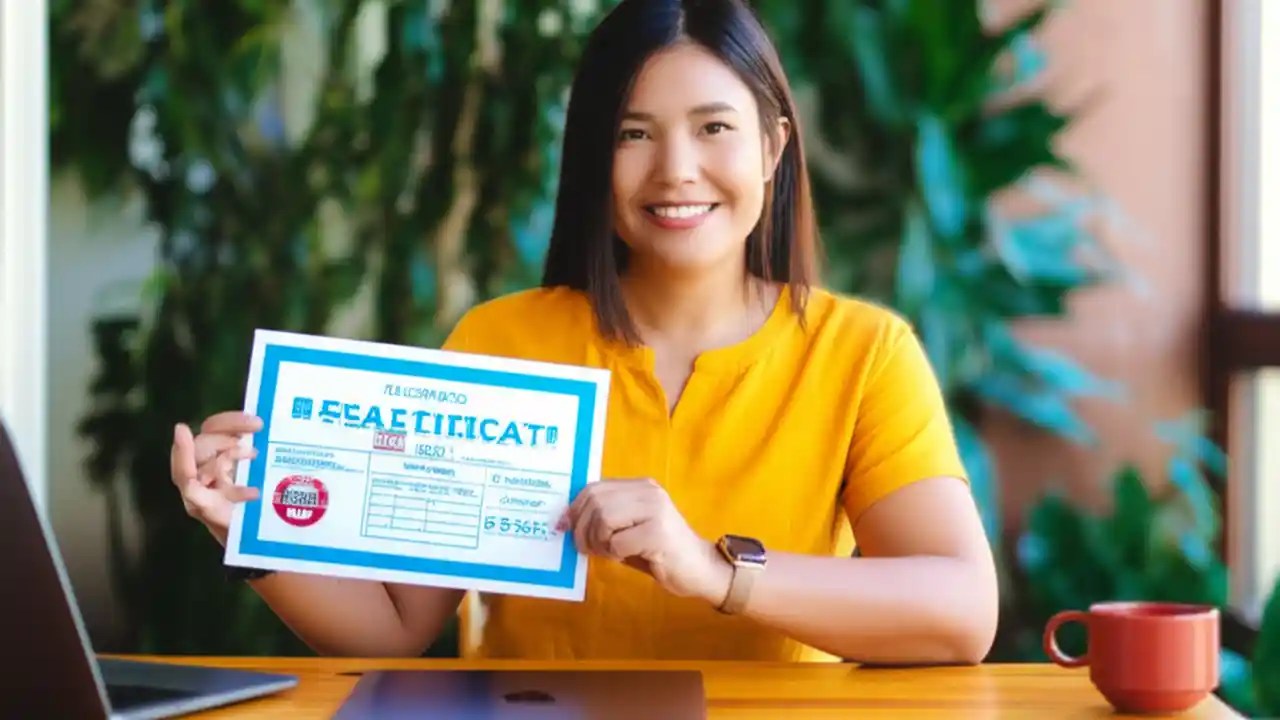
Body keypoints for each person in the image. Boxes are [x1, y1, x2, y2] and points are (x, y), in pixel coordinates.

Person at [169, 0, 998, 664]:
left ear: (774, 147)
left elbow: (962, 613)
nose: (675, 168)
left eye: (714, 128)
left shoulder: (862, 352)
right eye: (633, 133)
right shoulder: (502, 341)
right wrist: (241, 525)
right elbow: (391, 628)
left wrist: (714, 572)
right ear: (591, 158)